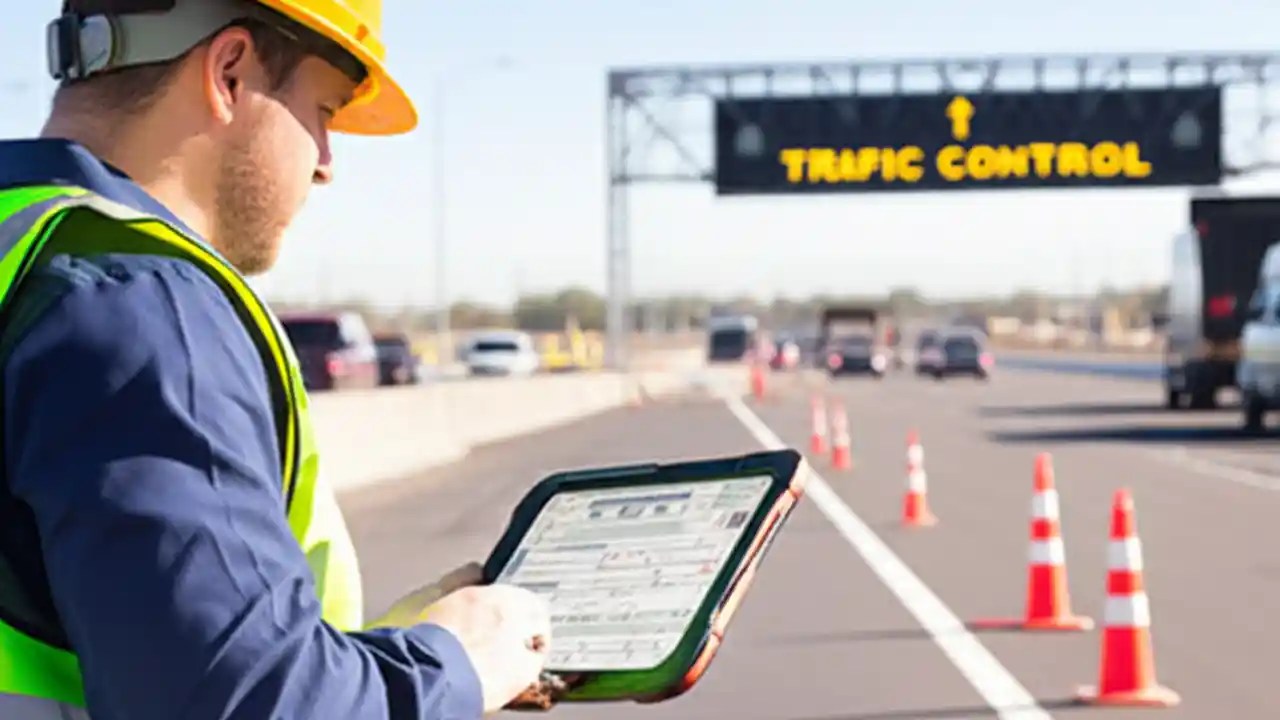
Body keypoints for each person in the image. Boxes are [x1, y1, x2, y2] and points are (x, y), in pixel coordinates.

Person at [0, 1, 551, 718]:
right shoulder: (142, 308)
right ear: (229, 73)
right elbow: (242, 701)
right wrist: (460, 664)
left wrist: (373, 660)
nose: (326, 163)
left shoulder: (23, 247)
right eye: (321, 111)